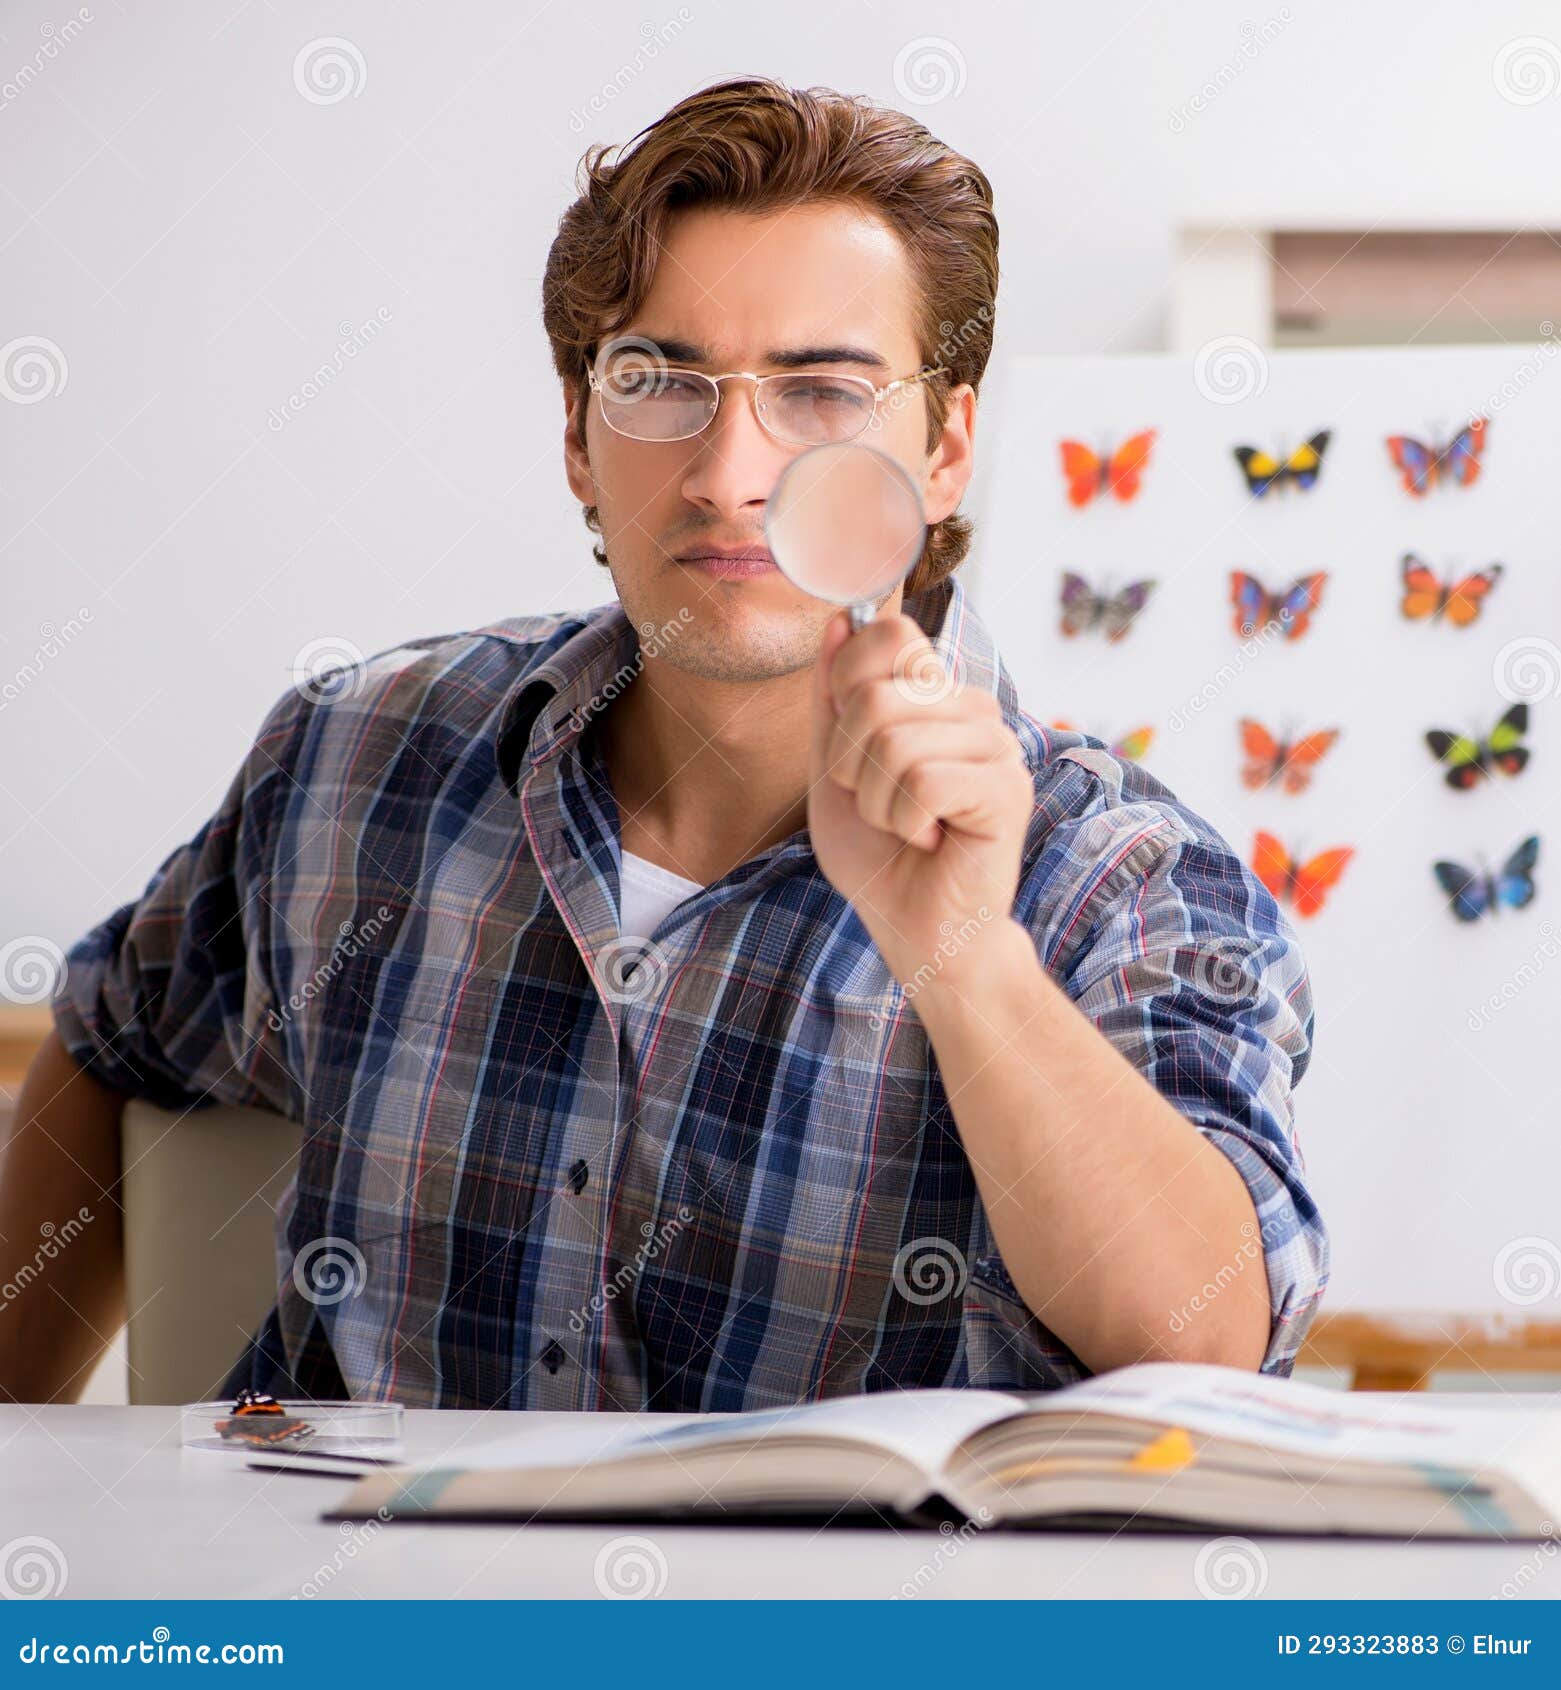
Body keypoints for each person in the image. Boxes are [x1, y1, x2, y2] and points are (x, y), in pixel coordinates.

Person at [0, 76, 1326, 1411]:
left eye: (820, 390)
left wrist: (968, 960)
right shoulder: (356, 762)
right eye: (659, 380)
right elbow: (114, 1028)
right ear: (577, 432)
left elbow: (1202, 1348)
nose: (727, 469)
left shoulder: (1123, 876)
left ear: (943, 449)